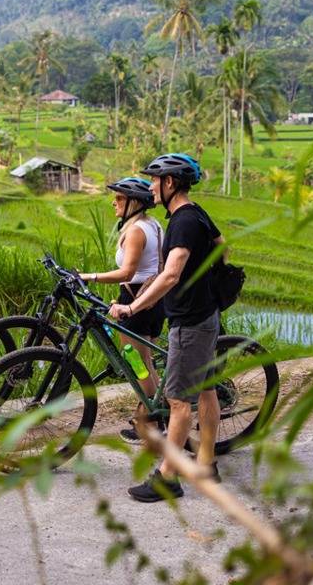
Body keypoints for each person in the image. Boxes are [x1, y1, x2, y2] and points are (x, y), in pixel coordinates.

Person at [107, 153, 226, 501]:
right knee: (205, 390)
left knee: (177, 402)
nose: (150, 188)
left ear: (170, 182)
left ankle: (167, 478)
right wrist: (206, 284)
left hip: (189, 322)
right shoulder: (196, 213)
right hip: (205, 315)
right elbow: (222, 249)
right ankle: (206, 463)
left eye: (155, 181)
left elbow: (171, 274)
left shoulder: (182, 222)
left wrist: (133, 306)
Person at [75, 177, 165, 441]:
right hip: (152, 300)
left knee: (137, 364)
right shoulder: (153, 224)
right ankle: (155, 417)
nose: (114, 202)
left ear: (134, 202)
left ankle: (156, 421)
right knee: (146, 363)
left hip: (135, 300)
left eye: (120, 198)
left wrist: (89, 277)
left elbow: (127, 272)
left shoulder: (136, 231)